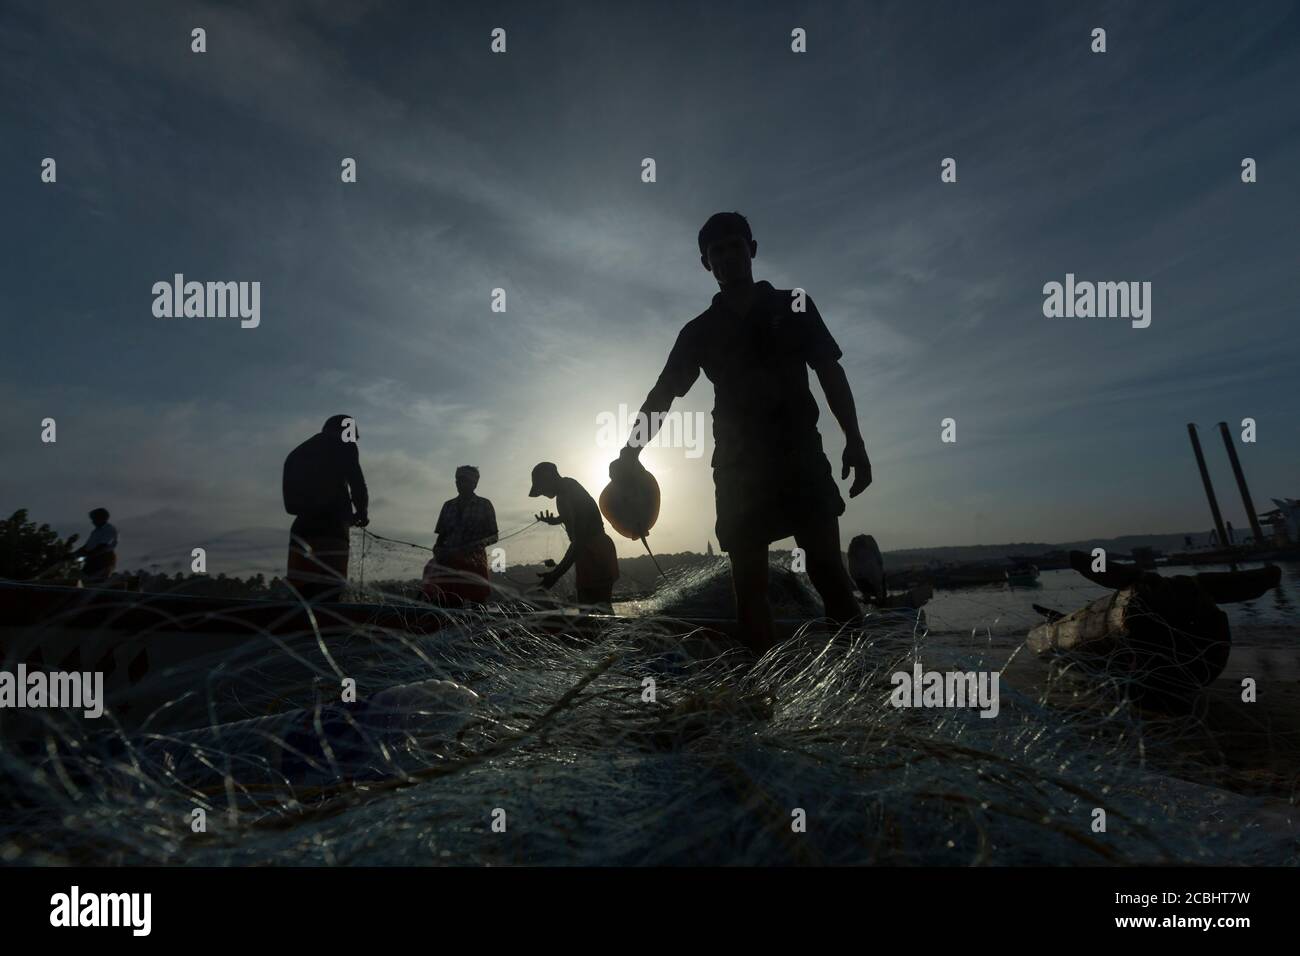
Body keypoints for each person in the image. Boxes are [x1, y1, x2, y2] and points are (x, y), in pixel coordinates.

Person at [610, 211, 871, 651]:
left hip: (800, 455)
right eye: (717, 251)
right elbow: (664, 394)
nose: (728, 256)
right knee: (748, 588)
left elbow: (829, 370)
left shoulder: (795, 304)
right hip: (737, 468)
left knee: (829, 573)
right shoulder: (699, 331)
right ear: (705, 263)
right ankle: (759, 698)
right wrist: (630, 450)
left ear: (752, 248)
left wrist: (855, 441)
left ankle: (858, 681)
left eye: (735, 246)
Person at [282, 415, 369, 600]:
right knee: (328, 599)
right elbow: (357, 482)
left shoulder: (296, 453)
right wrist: (361, 512)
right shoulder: (344, 445)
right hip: (332, 531)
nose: (355, 440)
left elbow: (290, 507)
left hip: (301, 533)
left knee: (301, 599)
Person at [528, 462, 619, 611]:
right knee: (588, 606)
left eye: (542, 488)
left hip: (595, 550)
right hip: (586, 551)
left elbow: (580, 539)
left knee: (598, 609)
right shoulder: (563, 493)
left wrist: (555, 575)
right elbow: (573, 516)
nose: (542, 493)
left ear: (549, 479)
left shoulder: (570, 491)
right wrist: (555, 520)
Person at [423, 465, 498, 605]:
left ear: (474, 483)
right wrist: (437, 550)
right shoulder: (448, 506)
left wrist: (471, 547)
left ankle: (479, 626)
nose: (459, 483)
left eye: (463, 479)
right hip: (448, 561)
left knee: (477, 601)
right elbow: (441, 536)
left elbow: (494, 536)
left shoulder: (484, 505)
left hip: (474, 561)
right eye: (457, 479)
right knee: (449, 600)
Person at [74, 508, 118, 585]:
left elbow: (103, 546)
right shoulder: (96, 531)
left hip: (104, 559)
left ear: (101, 518)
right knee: (84, 578)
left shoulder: (109, 530)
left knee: (96, 581)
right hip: (93, 559)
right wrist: (73, 554)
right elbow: (87, 546)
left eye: (94, 519)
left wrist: (88, 555)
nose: (92, 522)